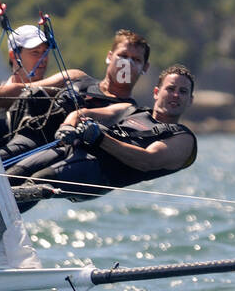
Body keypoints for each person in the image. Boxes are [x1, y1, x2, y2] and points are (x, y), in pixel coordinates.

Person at [11, 64, 197, 210]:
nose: (176, 95)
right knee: (12, 174)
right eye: (171, 88)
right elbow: (83, 113)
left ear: (190, 100)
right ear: (156, 92)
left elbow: (146, 160)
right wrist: (67, 126)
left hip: (97, 174)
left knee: (39, 181)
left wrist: (100, 138)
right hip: (72, 150)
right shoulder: (129, 110)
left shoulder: (182, 138)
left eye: (183, 92)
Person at [0, 28, 151, 161]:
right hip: (14, 125)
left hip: (45, 151)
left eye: (136, 60)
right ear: (109, 57)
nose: (127, 64)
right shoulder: (75, 76)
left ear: (145, 68)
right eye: (123, 56)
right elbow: (24, 89)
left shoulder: (129, 112)